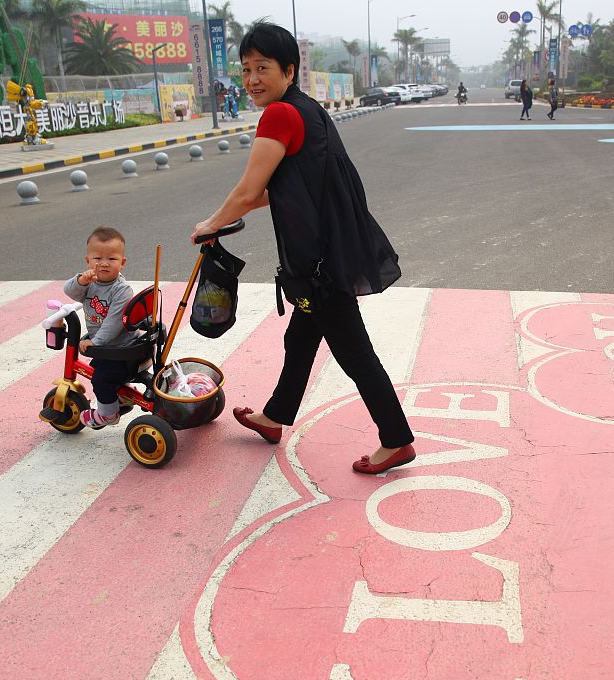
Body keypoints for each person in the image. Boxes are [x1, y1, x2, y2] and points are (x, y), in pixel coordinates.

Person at [190, 22, 416, 475]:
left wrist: (211, 223)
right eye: (246, 69)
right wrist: (231, 215)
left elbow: (250, 188)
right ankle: (275, 417)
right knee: (300, 339)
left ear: (288, 70)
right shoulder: (307, 110)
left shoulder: (279, 115)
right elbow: (286, 188)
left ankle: (396, 440)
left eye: (263, 68)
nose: (252, 79)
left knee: (354, 353)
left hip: (320, 264)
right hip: (327, 253)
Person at [62, 226, 137, 430]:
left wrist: (95, 342)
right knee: (97, 366)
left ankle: (107, 415)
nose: (104, 263)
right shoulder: (90, 284)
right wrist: (80, 280)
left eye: (112, 259)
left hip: (121, 349)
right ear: (88, 261)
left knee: (101, 378)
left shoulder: (121, 290)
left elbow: (113, 323)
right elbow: (69, 291)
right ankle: (121, 398)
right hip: (111, 348)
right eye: (97, 259)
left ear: (122, 263)